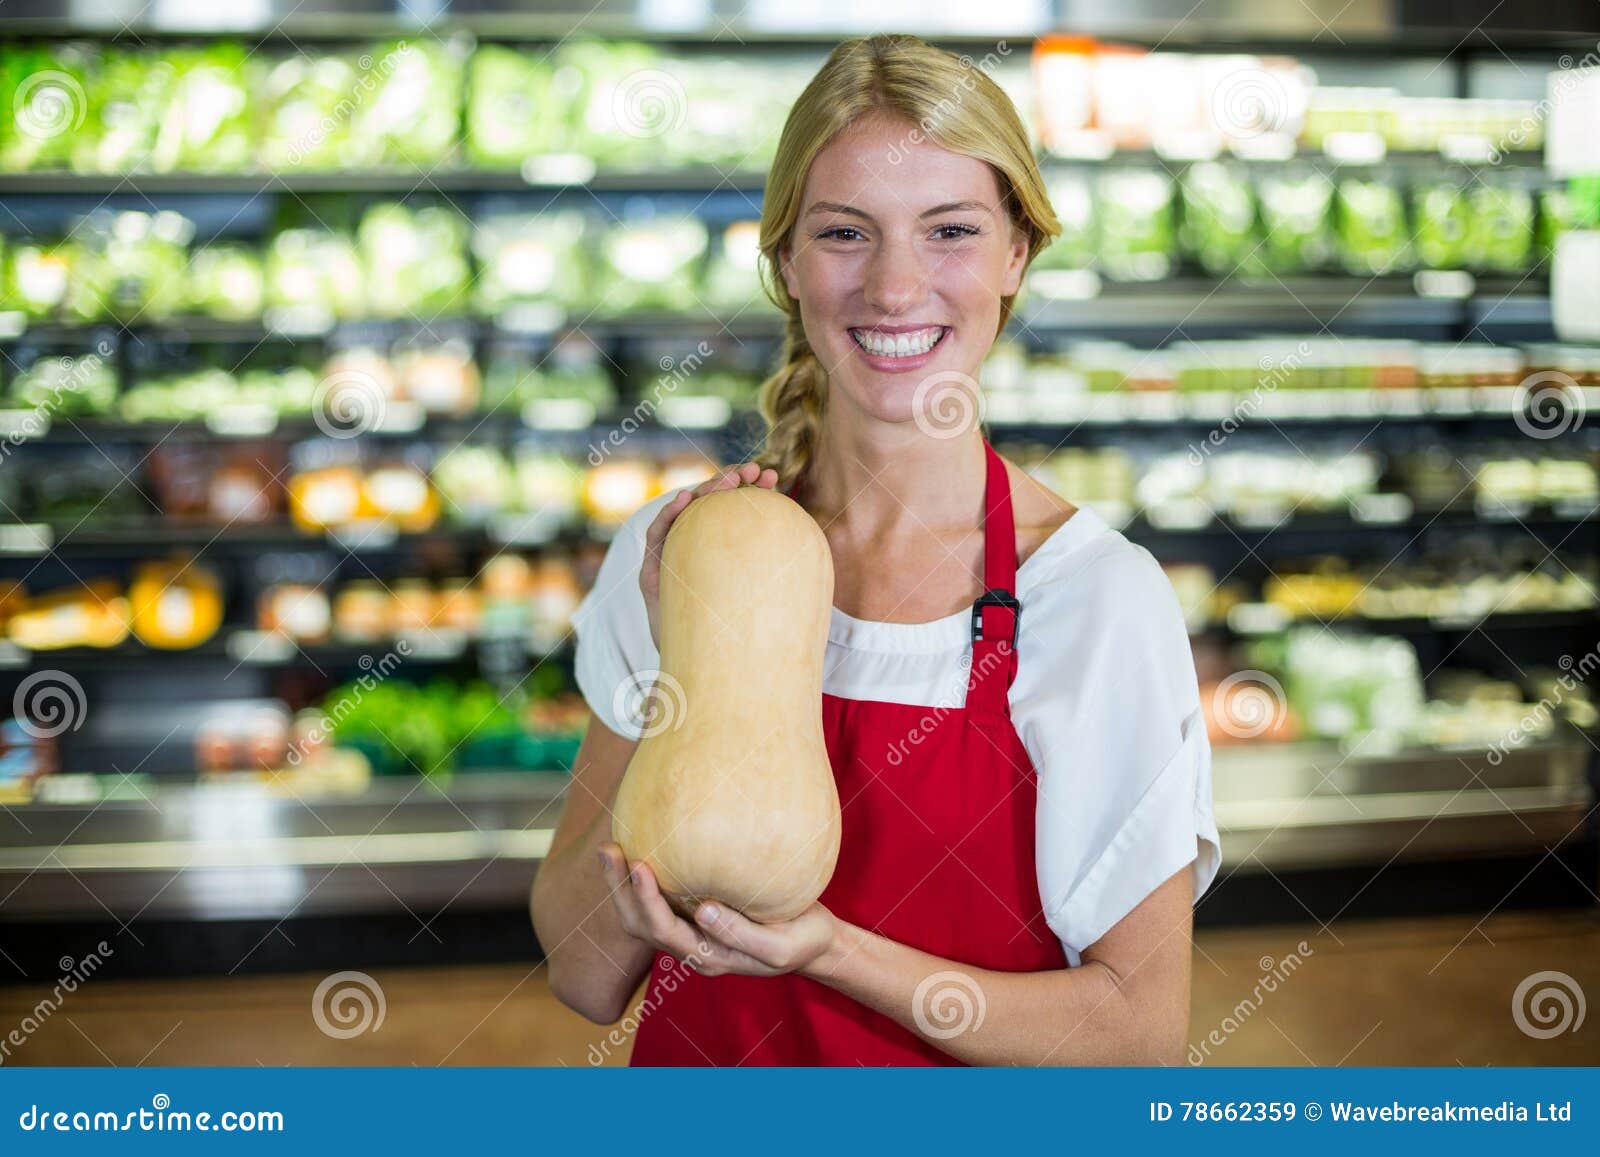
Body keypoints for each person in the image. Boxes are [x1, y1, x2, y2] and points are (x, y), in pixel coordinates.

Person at [531, 32, 1220, 1065]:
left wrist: (831, 950)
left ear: (1015, 253)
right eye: (846, 233)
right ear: (785, 261)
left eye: (949, 230)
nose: (896, 288)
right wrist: (688, 659)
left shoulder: (1098, 599)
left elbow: (1136, 1032)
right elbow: (583, 974)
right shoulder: (679, 548)